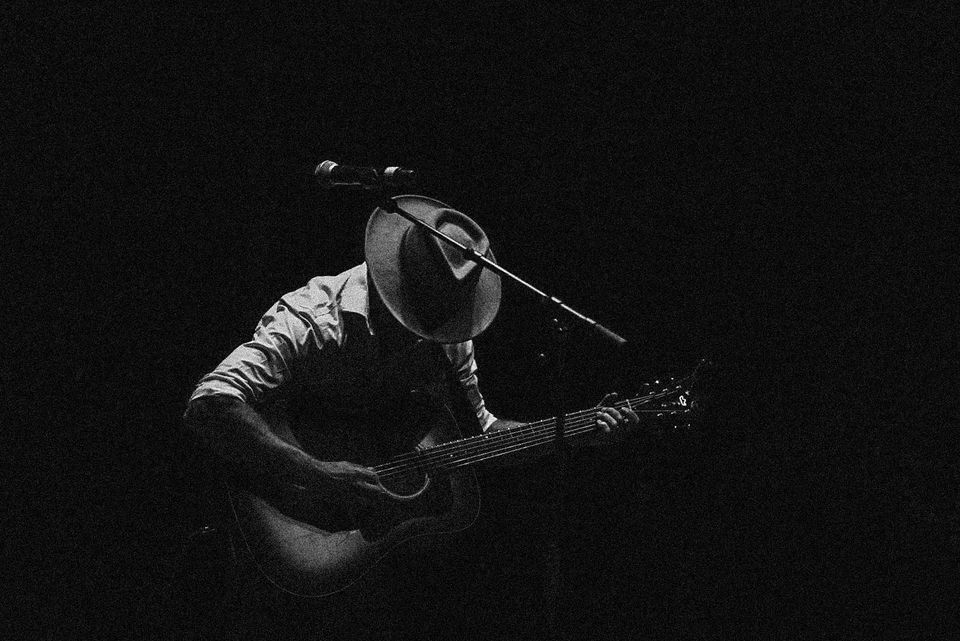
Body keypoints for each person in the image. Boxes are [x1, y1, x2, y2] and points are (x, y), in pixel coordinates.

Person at [182, 195, 637, 639]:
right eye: (415, 320)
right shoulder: (314, 318)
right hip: (285, 518)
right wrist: (318, 474)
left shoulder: (448, 330)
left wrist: (573, 432)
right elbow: (209, 404)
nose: (426, 333)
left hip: (381, 569)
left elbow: (485, 434)